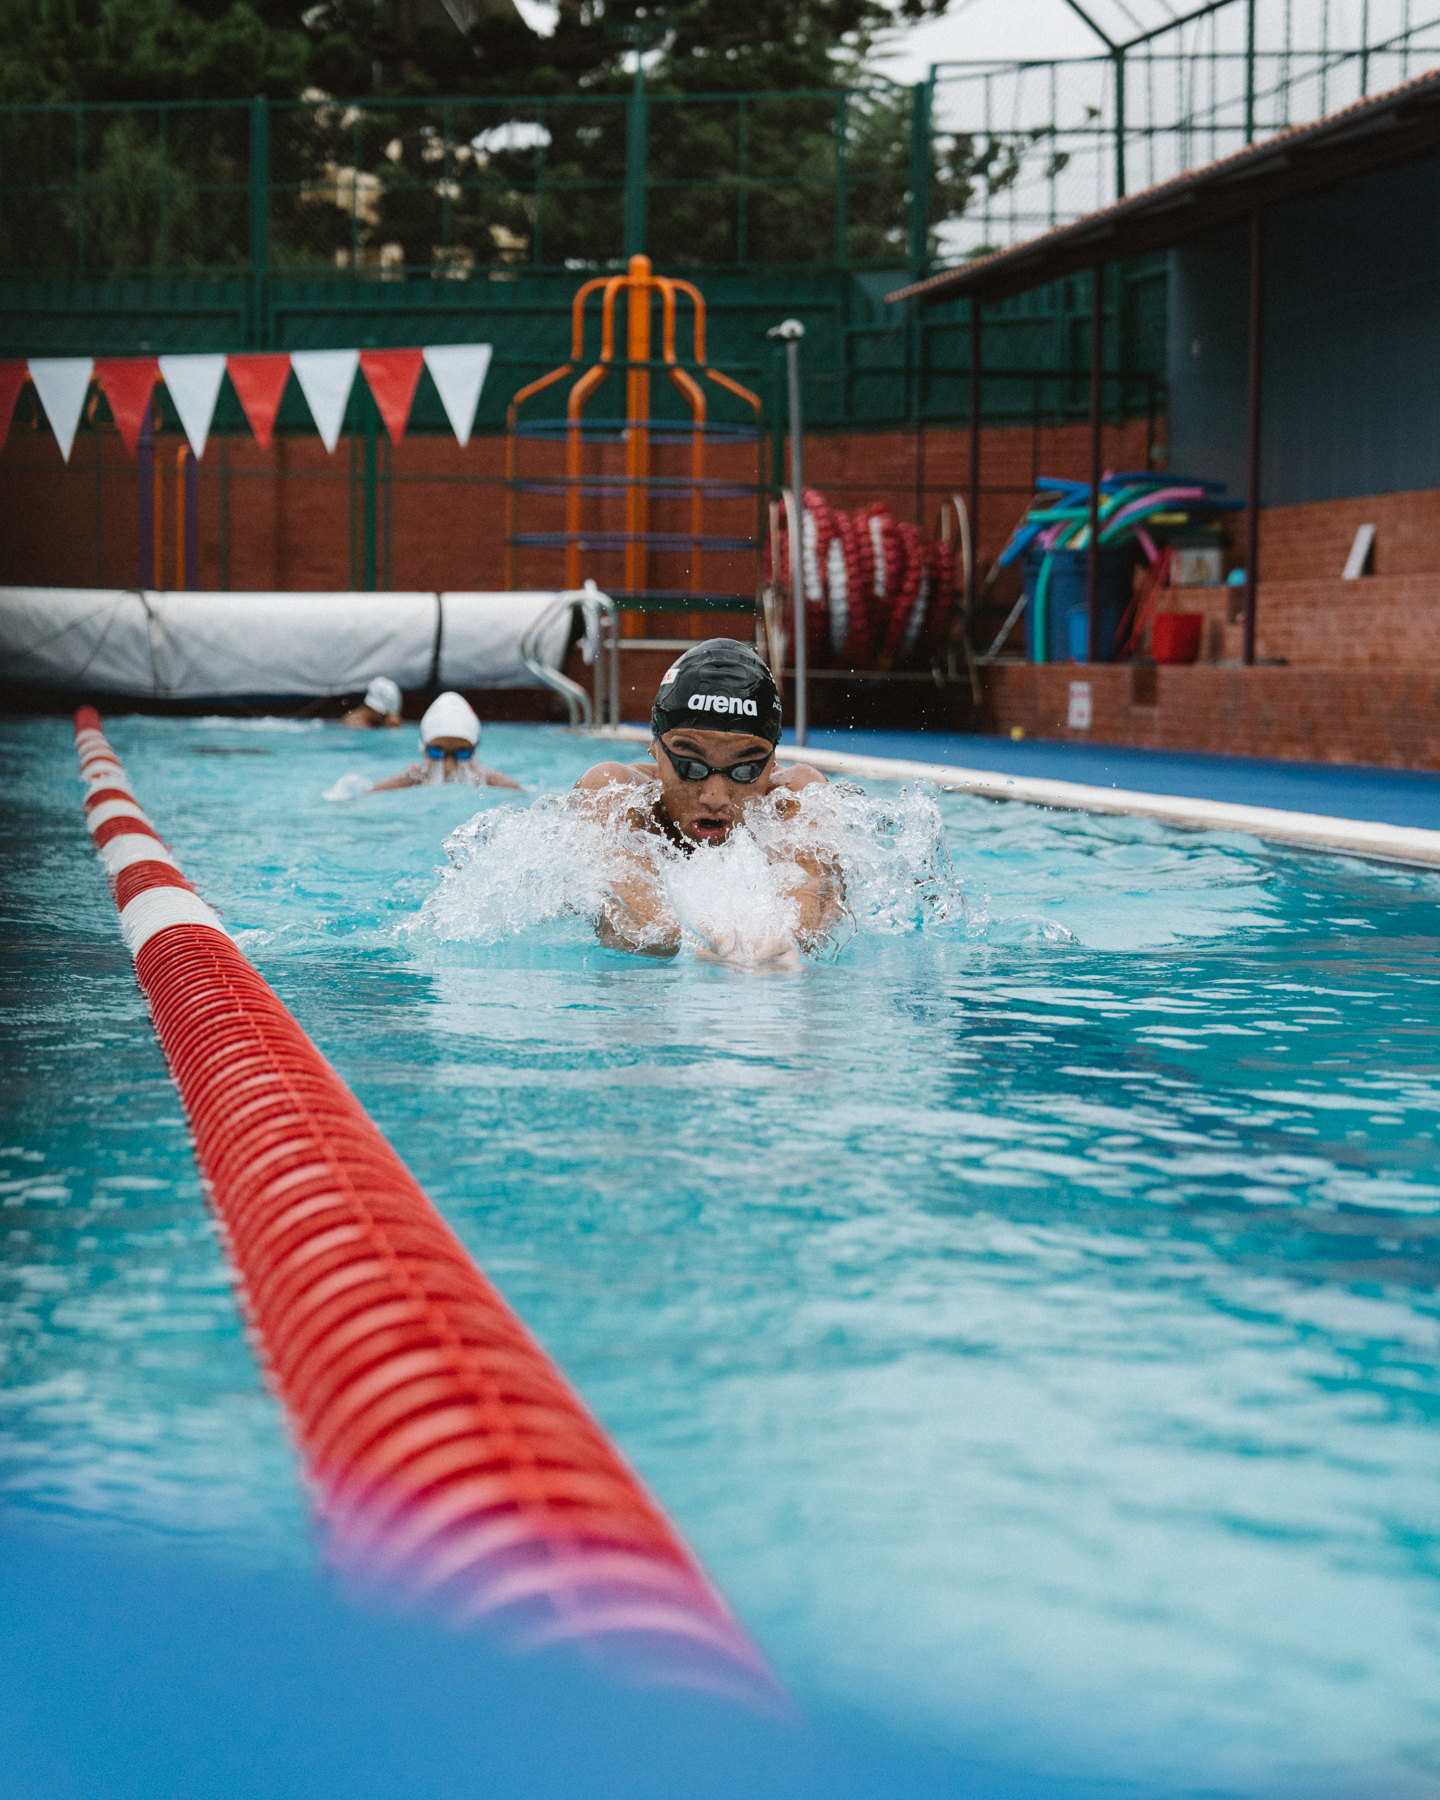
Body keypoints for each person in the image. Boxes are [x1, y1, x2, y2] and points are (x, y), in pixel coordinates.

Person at [571, 638, 843, 962]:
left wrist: (782, 939)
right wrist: (695, 939)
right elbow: (624, 908)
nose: (715, 797)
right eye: (690, 765)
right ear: (655, 746)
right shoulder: (614, 792)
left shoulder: (796, 795)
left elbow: (812, 904)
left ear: (773, 760)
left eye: (744, 770)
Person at [369, 691, 521, 791]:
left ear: (474, 750)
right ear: (423, 748)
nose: (448, 766)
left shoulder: (491, 781)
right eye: (436, 752)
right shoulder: (411, 779)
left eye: (463, 754)